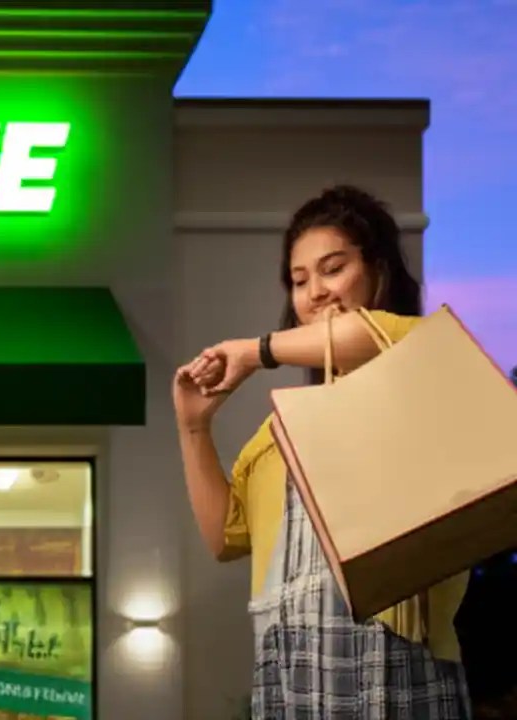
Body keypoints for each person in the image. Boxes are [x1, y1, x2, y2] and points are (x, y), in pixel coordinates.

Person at [172, 185, 472, 717]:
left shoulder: (420, 354)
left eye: (333, 269)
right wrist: (194, 428)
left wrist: (255, 350)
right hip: (289, 657)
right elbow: (224, 538)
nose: (315, 293)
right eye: (299, 280)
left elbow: (372, 335)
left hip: (393, 648)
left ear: (377, 269)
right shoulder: (280, 429)